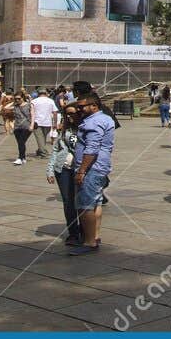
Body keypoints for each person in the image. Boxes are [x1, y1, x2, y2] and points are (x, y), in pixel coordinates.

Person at [70, 93, 114, 254]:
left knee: (85, 205)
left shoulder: (93, 122)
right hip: (101, 166)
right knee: (96, 203)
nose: (79, 109)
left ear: (94, 106)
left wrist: (81, 170)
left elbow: (92, 148)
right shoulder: (105, 119)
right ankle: (94, 236)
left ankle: (89, 242)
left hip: (91, 168)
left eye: (82, 106)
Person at [45, 102, 84, 245]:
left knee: (82, 201)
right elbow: (56, 149)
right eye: (67, 114)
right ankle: (73, 232)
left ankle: (85, 230)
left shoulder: (85, 129)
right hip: (63, 169)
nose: (70, 116)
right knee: (68, 202)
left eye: (73, 113)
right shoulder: (64, 129)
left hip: (80, 169)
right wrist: (49, 170)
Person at [6, 90, 33, 164]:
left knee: (21, 141)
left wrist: (32, 125)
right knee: (20, 143)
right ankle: (23, 158)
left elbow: (33, 115)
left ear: (23, 98)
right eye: (16, 99)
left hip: (27, 126)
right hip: (17, 127)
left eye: (19, 98)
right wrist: (13, 102)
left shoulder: (29, 105)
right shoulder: (15, 106)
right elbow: (6, 107)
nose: (17, 100)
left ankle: (20, 158)